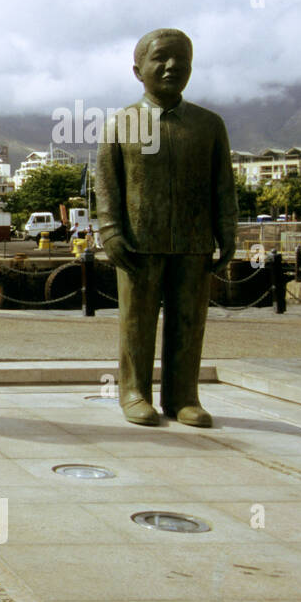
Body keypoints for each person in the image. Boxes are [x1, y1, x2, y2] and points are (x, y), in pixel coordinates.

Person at [96, 28, 236, 427]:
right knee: (136, 321)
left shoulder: (209, 125)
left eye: (182, 59)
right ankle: (134, 392)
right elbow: (106, 184)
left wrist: (228, 231)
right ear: (138, 70)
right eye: (162, 58)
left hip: (193, 240)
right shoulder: (121, 123)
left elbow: (223, 184)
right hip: (139, 241)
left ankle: (183, 395)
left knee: (190, 320)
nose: (173, 66)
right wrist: (110, 231)